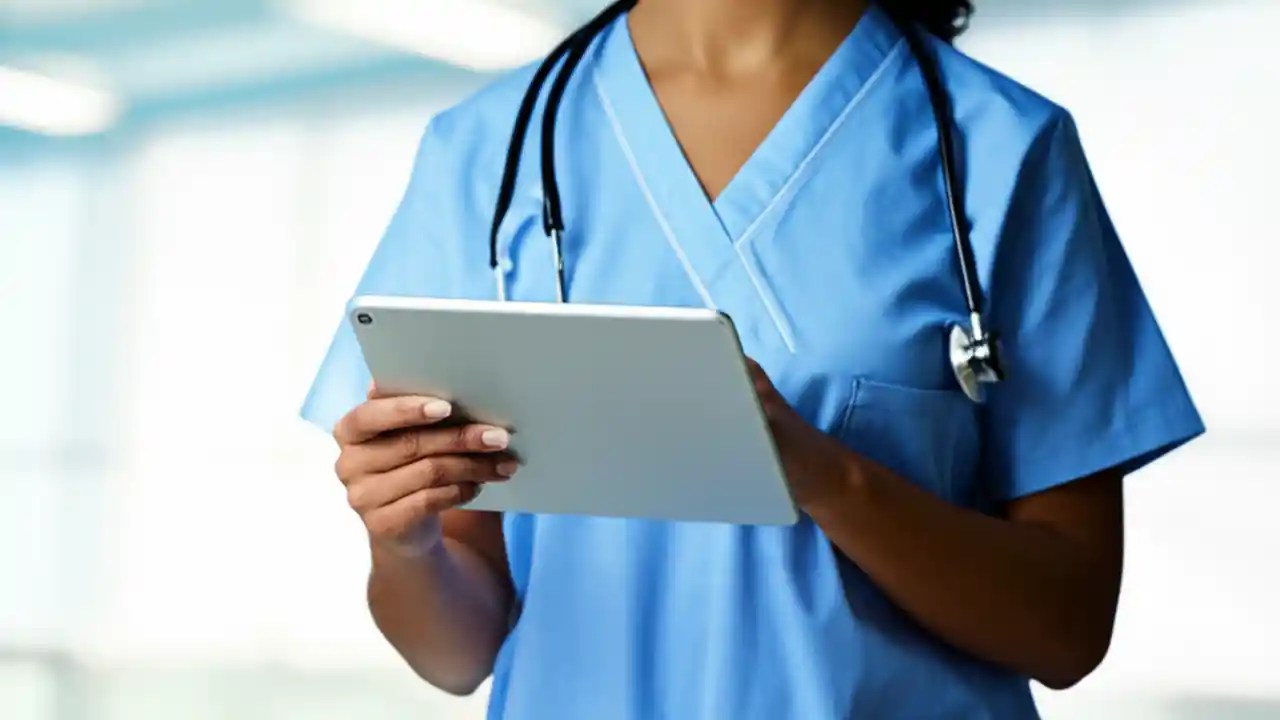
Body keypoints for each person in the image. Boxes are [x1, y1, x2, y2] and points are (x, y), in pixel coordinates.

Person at [301, 1, 1204, 718]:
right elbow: (457, 654)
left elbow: (1068, 627)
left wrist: (822, 476)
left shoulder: (999, 149)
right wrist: (406, 541)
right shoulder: (487, 152)